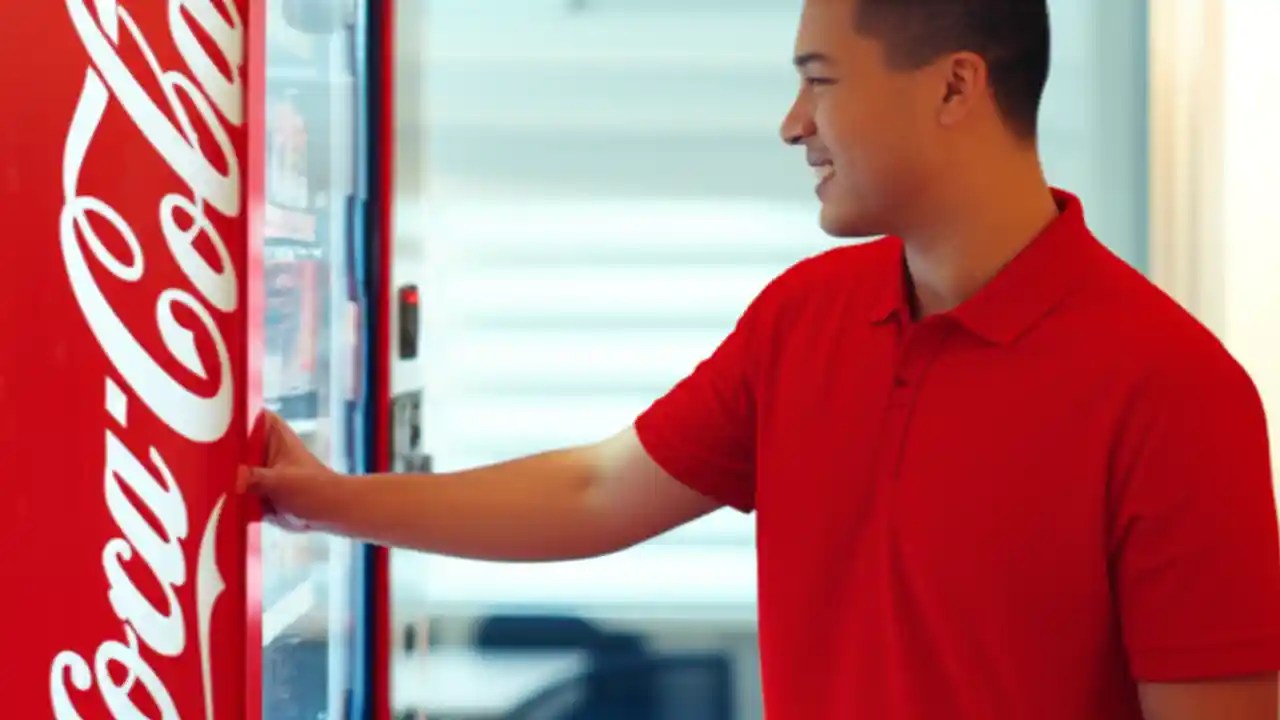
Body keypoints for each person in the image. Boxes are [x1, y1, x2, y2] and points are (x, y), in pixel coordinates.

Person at [243, 0, 1280, 717]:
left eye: (818, 81)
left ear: (954, 87)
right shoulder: (803, 320)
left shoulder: (1173, 391)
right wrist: (328, 502)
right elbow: (599, 489)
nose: (792, 125)